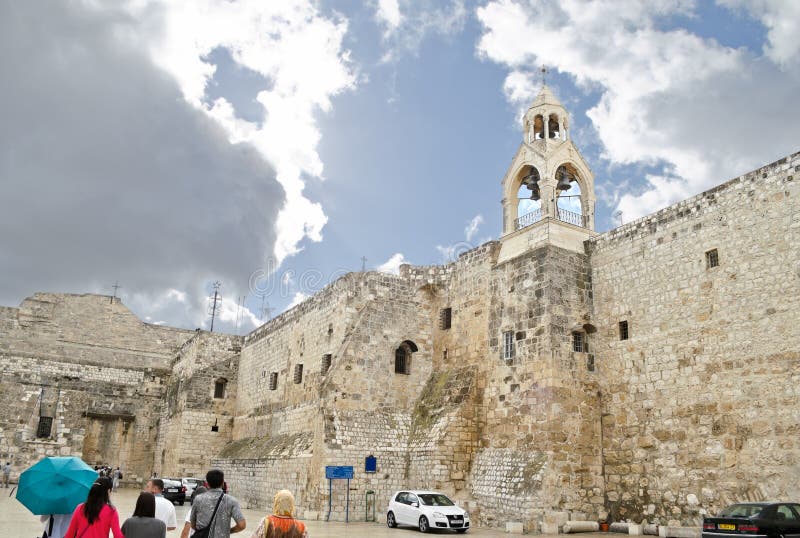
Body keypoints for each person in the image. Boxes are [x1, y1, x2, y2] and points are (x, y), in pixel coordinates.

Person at [191, 469, 246, 537]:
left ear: (207, 483)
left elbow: (193, 524)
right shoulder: (231, 501)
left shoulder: (198, 499)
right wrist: (228, 531)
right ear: (223, 483)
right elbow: (242, 525)